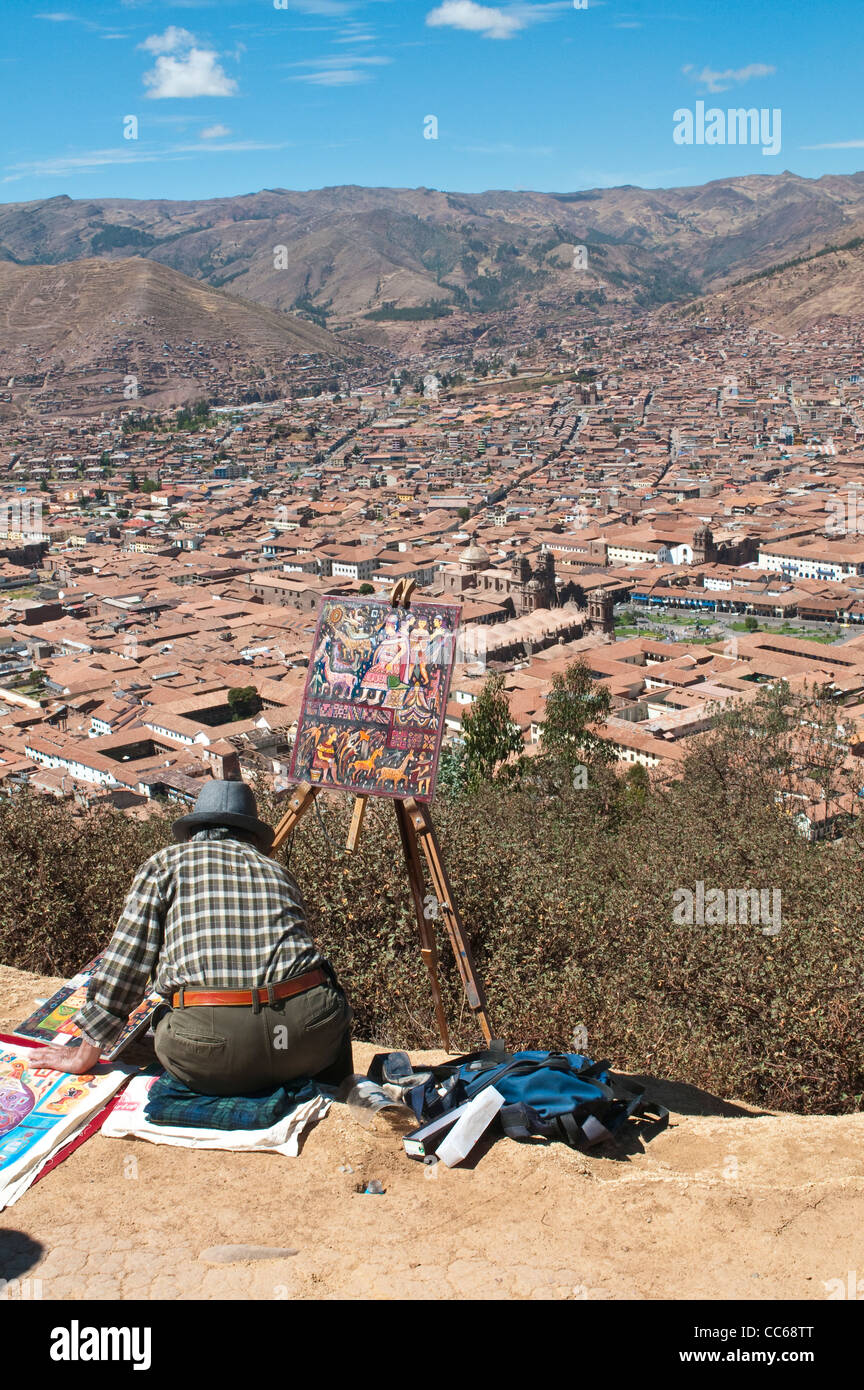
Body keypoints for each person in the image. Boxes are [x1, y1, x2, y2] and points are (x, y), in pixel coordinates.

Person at [26, 781, 353, 1096]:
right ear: (251, 834)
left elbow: (125, 968)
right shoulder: (278, 872)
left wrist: (85, 1053)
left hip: (213, 1050)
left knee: (167, 1029)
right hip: (309, 1038)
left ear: (195, 830)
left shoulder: (164, 866)